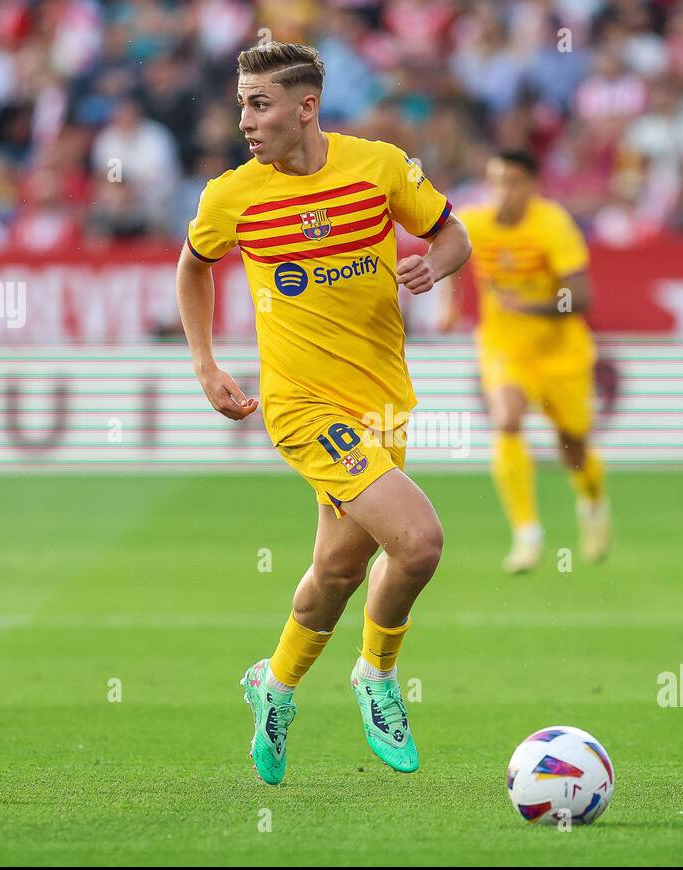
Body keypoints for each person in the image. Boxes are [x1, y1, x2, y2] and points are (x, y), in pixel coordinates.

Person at [175, 42, 470, 785]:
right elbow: (193, 265)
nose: (244, 118)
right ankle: (376, 673)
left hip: (383, 404)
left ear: (307, 107)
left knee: (337, 572)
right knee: (420, 543)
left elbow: (451, 231)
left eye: (260, 103)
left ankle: (272, 685)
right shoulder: (231, 196)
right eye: (242, 102)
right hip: (303, 408)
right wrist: (205, 363)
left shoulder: (377, 167)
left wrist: (436, 262)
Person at [439, 150, 610, 573]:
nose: (502, 192)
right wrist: (451, 305)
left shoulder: (552, 224)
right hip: (504, 348)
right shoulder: (474, 222)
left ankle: (592, 502)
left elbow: (582, 297)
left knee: (574, 447)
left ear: (531, 186)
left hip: (561, 354)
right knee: (507, 420)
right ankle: (527, 534)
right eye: (496, 181)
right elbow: (449, 251)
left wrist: (528, 305)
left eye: (513, 182)